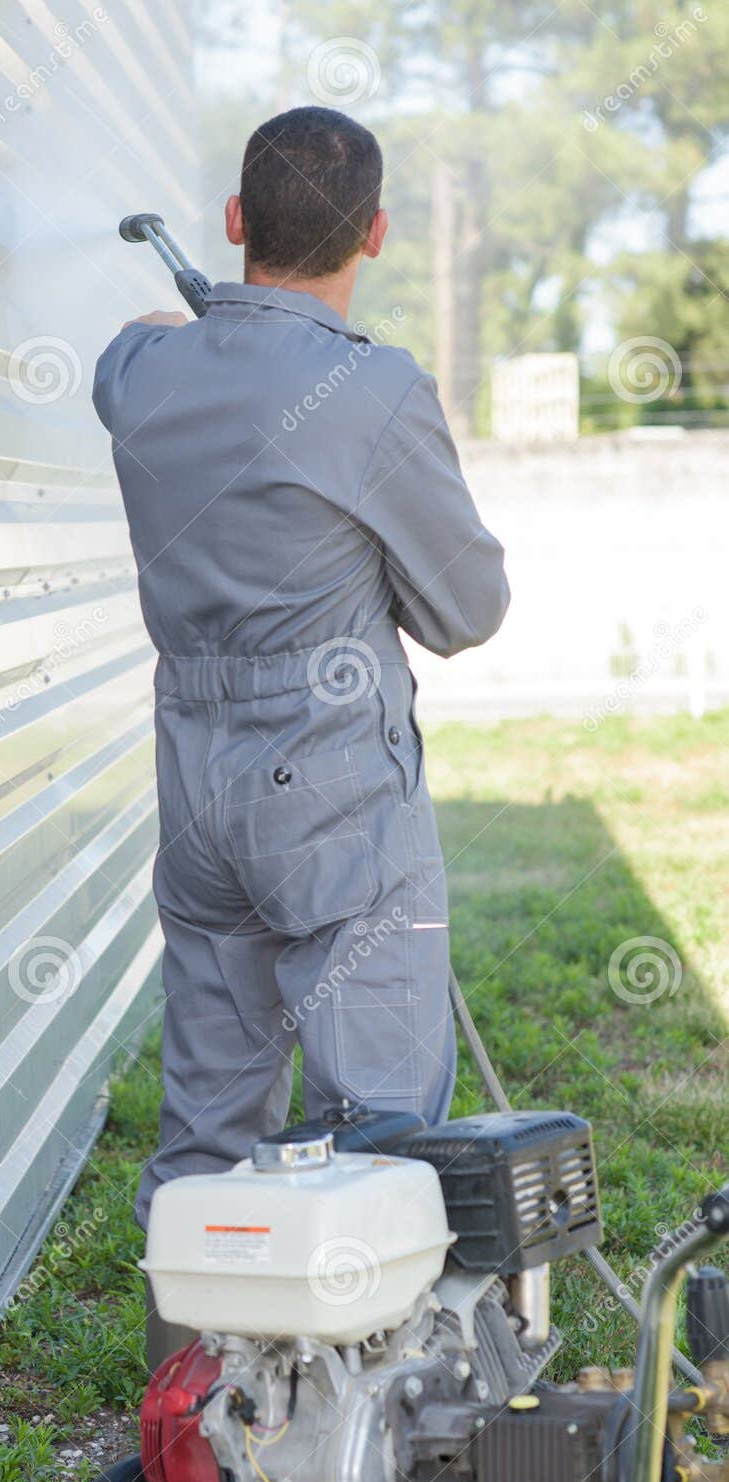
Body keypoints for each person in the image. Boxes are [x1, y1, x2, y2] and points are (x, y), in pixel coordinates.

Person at [93, 107, 508, 1363]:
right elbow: (469, 610)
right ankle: (371, 1444)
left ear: (233, 223)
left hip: (198, 794)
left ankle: (190, 1438)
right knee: (375, 1126)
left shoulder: (137, 374)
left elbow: (148, 343)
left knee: (207, 1137)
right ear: (374, 235)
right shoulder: (373, 393)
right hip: (332, 801)